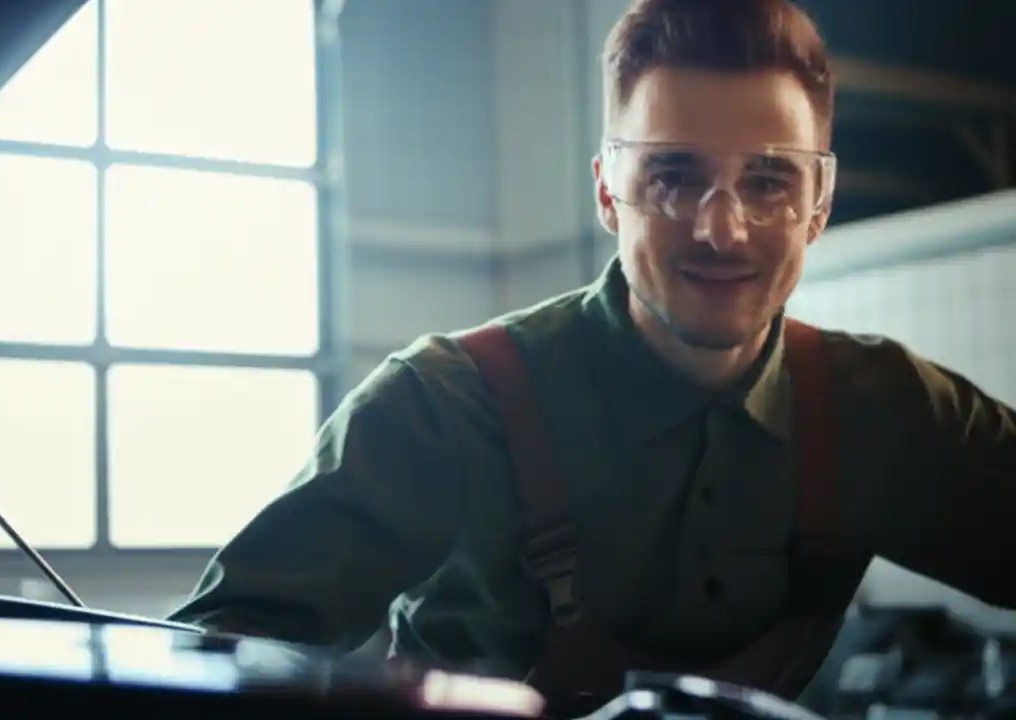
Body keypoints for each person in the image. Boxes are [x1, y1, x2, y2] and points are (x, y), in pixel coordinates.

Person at [169, 0, 1016, 713]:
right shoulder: (443, 408)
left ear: (818, 201)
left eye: (768, 179)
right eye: (673, 176)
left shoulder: (887, 411)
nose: (722, 229)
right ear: (609, 192)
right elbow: (209, 666)